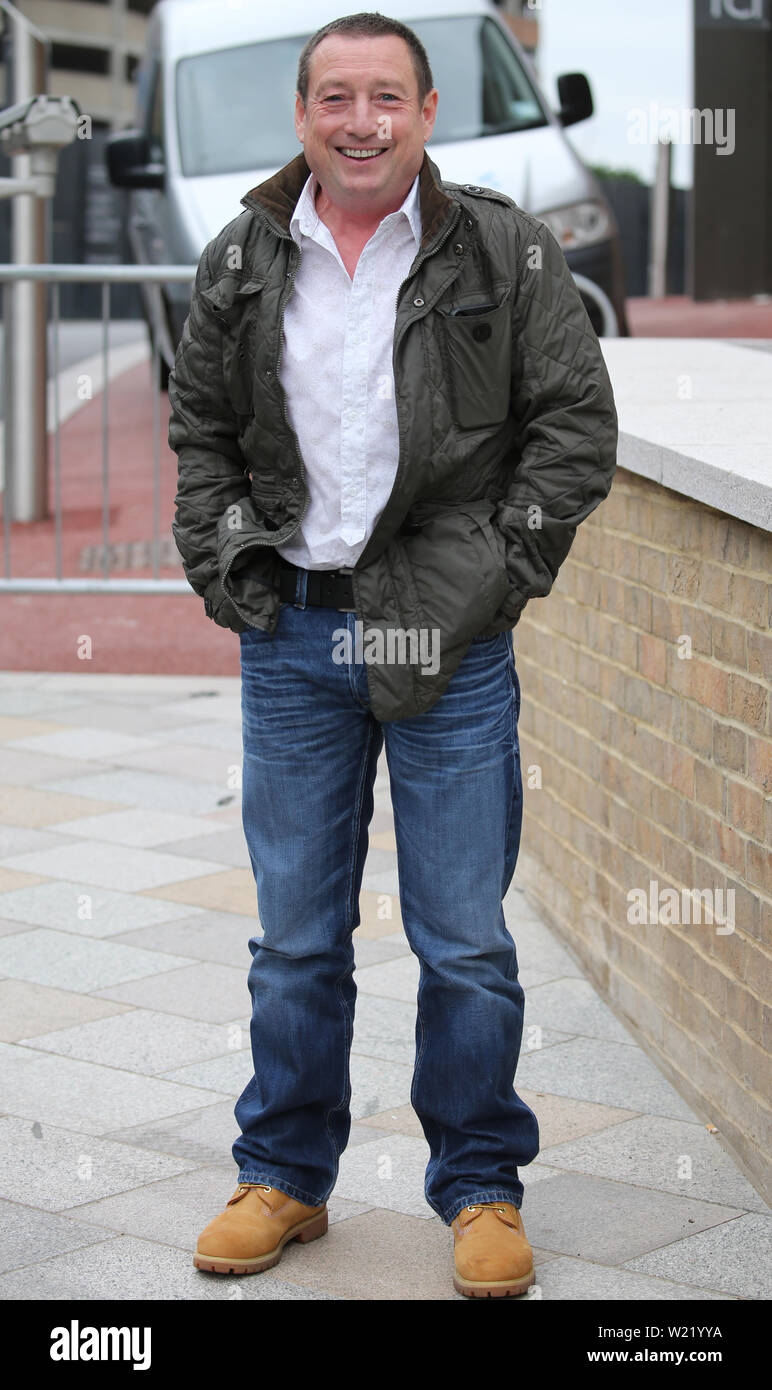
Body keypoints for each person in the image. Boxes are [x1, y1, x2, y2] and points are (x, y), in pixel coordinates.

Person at [169, 10, 618, 1299]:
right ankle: (284, 1179)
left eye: (386, 98)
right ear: (302, 114)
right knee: (297, 936)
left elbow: (574, 429)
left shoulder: (506, 248)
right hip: (294, 633)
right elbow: (200, 428)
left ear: (426, 113)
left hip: (453, 642)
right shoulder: (246, 253)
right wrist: (225, 564)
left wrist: (498, 577)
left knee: (463, 937)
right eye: (334, 98)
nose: (359, 121)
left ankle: (480, 1188)